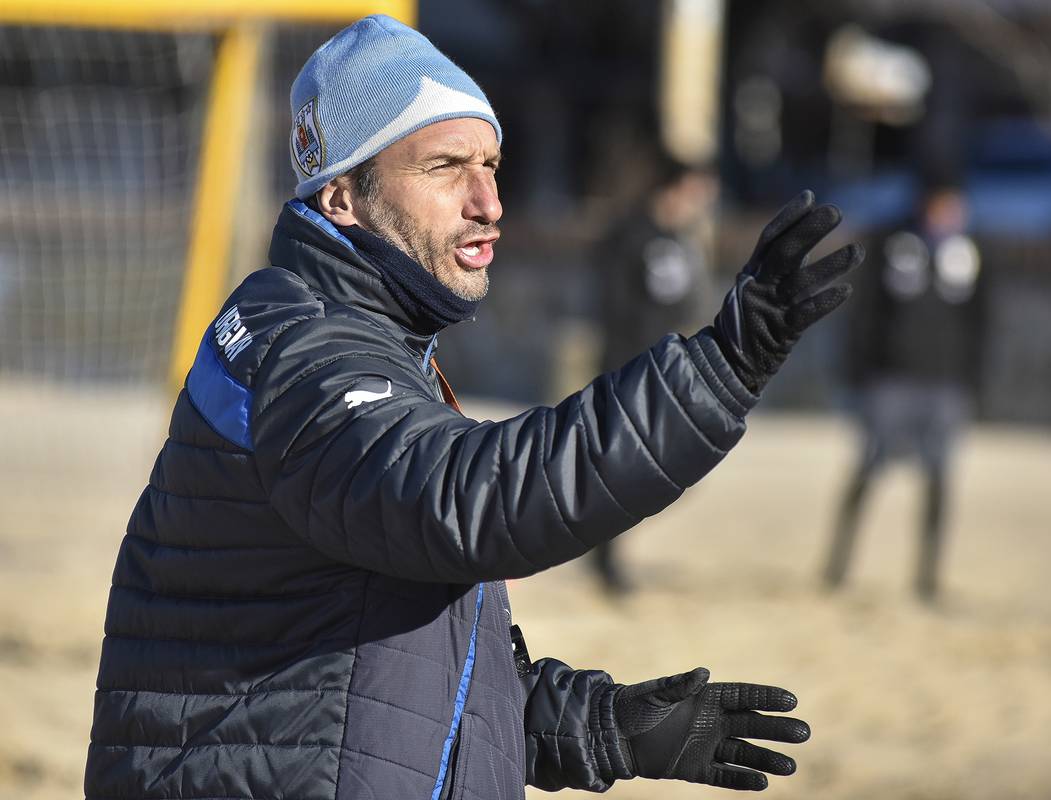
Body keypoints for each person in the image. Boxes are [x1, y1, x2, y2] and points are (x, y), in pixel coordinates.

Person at [84, 16, 862, 800]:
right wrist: (723, 366)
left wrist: (600, 727)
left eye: (491, 163)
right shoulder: (309, 354)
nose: (488, 200)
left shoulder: (363, 339)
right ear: (344, 193)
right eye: (446, 166)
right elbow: (466, 501)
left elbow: (374, 674)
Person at [823, 182, 985, 602]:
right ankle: (837, 565)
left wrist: (974, 379)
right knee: (870, 467)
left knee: (938, 477)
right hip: (891, 378)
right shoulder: (891, 242)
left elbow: (982, 320)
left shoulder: (970, 250)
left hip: (945, 381)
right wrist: (859, 373)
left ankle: (928, 575)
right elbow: (864, 312)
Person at [591, 154, 718, 593]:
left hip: (669, 368)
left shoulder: (684, 239)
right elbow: (613, 303)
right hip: (629, 367)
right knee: (622, 464)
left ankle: (604, 545)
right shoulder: (629, 234)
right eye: (699, 190)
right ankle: (604, 555)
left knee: (669, 466)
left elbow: (685, 304)